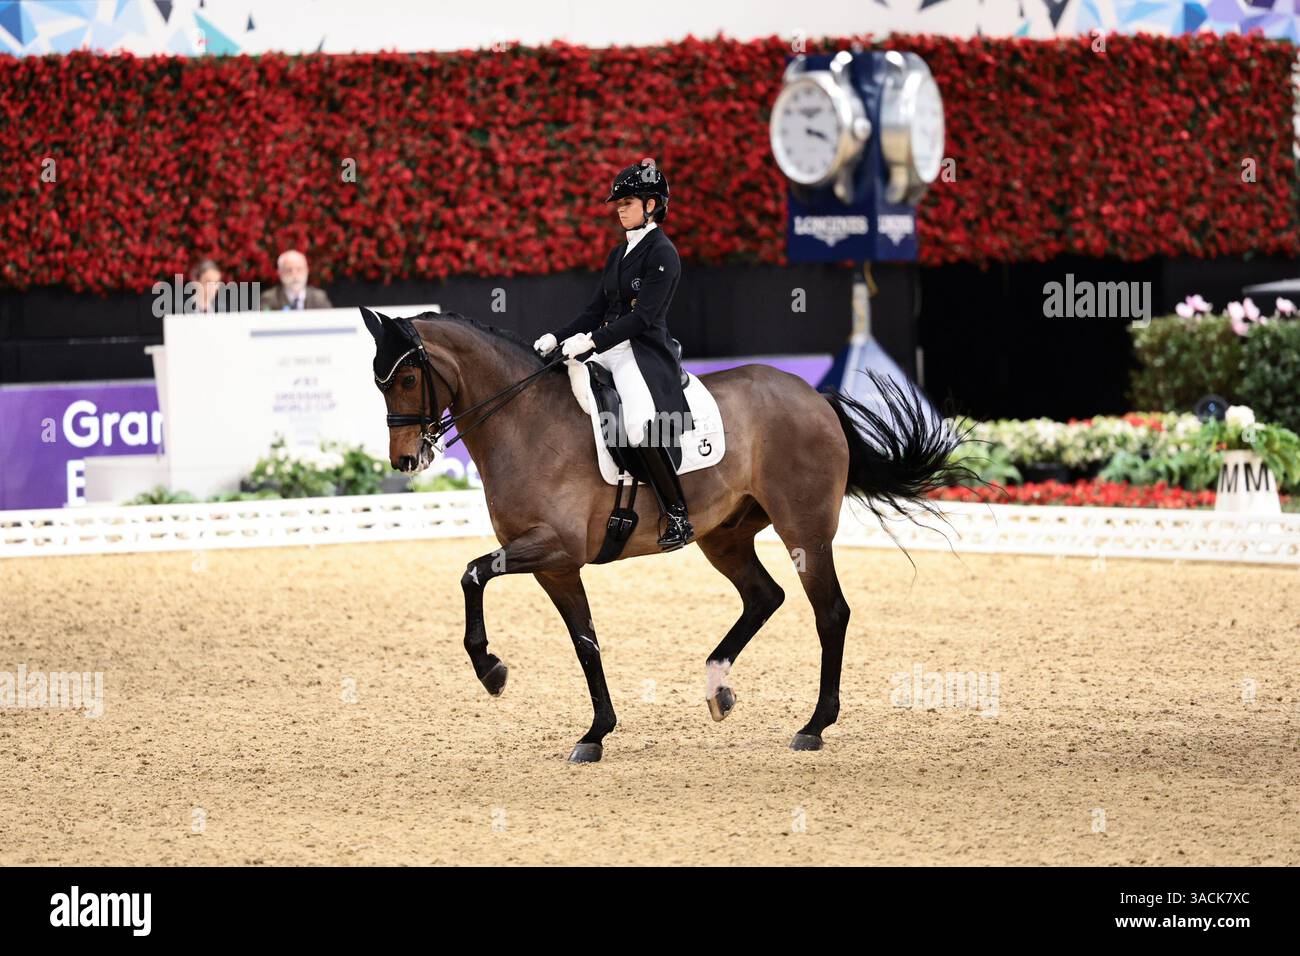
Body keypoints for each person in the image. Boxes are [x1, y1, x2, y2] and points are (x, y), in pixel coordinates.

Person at [534, 160, 693, 550]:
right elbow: (593, 312)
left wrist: (591, 343)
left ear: (652, 205)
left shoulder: (663, 253)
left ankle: (677, 514)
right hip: (606, 344)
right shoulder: (617, 253)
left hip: (639, 351)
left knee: (639, 426)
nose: (619, 208)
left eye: (628, 201)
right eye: (617, 203)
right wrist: (558, 336)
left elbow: (643, 318)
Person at [260, 249, 332, 311]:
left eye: (299, 269)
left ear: (307, 271)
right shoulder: (269, 299)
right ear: (280, 273)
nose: (295, 275)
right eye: (289, 270)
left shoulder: (319, 298)